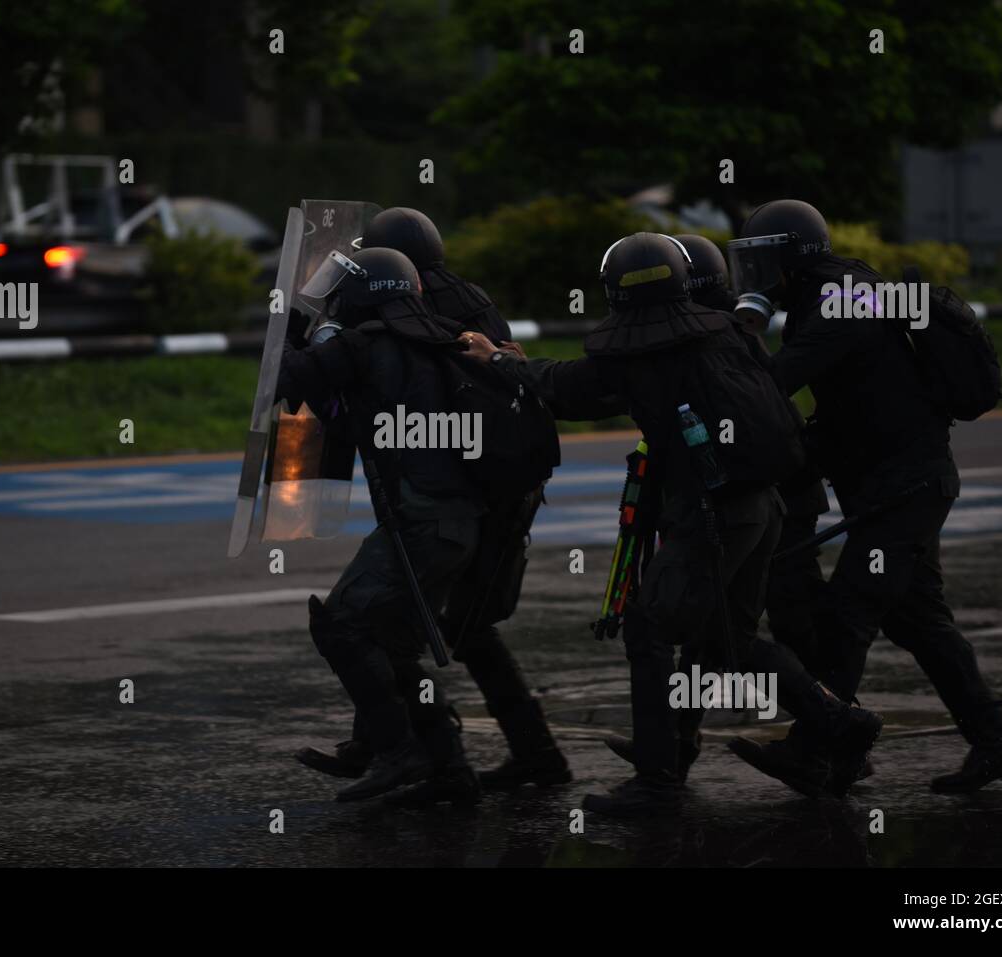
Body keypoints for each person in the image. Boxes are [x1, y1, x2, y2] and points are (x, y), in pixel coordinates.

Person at [460, 232, 883, 816]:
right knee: (729, 641)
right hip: (764, 507)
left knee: (649, 632)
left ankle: (658, 783)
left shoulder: (640, 349)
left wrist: (501, 361)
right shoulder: (726, 330)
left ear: (614, 289)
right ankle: (839, 720)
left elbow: (567, 389)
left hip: (710, 517)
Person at [724, 199, 1002, 794]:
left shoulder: (839, 303)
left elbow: (771, 385)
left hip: (905, 489)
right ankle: (997, 746)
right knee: (920, 623)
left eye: (760, 265)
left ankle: (817, 752)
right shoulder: (841, 289)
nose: (754, 279)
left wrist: (743, 326)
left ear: (788, 259)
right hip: (897, 485)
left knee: (848, 616)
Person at [296, 207, 571, 791]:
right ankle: (416, 756)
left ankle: (504, 755)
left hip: (468, 494)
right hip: (490, 487)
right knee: (406, 624)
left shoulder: (408, 316)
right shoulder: (466, 299)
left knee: (445, 626)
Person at [276, 245, 484, 805]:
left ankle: (399, 753)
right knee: (394, 646)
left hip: (418, 525)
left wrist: (296, 319)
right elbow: (350, 416)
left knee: (340, 626)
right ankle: (450, 770)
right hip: (460, 527)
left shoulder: (366, 345)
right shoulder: (444, 340)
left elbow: (283, 374)